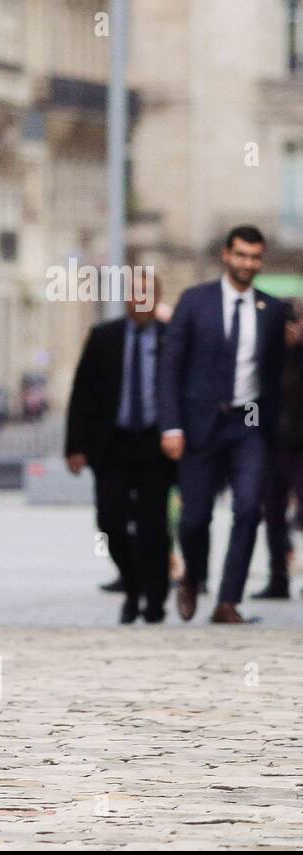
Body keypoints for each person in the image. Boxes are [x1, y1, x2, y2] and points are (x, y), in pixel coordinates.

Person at [158, 225, 288, 624]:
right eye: (242, 255)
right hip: (198, 428)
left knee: (249, 508)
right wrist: (171, 426)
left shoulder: (272, 309)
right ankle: (192, 578)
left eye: (255, 257)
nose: (249, 263)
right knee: (195, 518)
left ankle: (228, 601)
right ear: (226, 257)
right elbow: (170, 368)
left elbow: (277, 374)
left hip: (247, 426)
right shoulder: (195, 302)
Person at [65, 270, 175, 623]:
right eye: (135, 293)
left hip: (156, 447)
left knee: (153, 526)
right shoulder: (104, 338)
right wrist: (75, 446)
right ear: (126, 298)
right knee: (110, 521)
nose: (141, 300)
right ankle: (132, 585)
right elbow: (82, 392)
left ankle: (155, 599)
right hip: (112, 446)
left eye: (148, 293)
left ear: (157, 299)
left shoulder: (171, 339)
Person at [255, 301, 302, 599]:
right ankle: (278, 578)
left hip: (301, 446)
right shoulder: (267, 360)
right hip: (271, 445)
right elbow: (252, 400)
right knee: (272, 514)